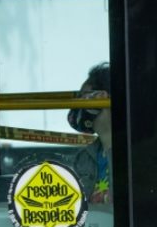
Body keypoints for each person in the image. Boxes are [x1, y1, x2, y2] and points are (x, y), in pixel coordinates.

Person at [19, 62, 113, 204]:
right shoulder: (85, 157)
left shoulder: (137, 152)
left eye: (84, 97)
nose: (80, 104)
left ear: (102, 98)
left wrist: (108, 136)